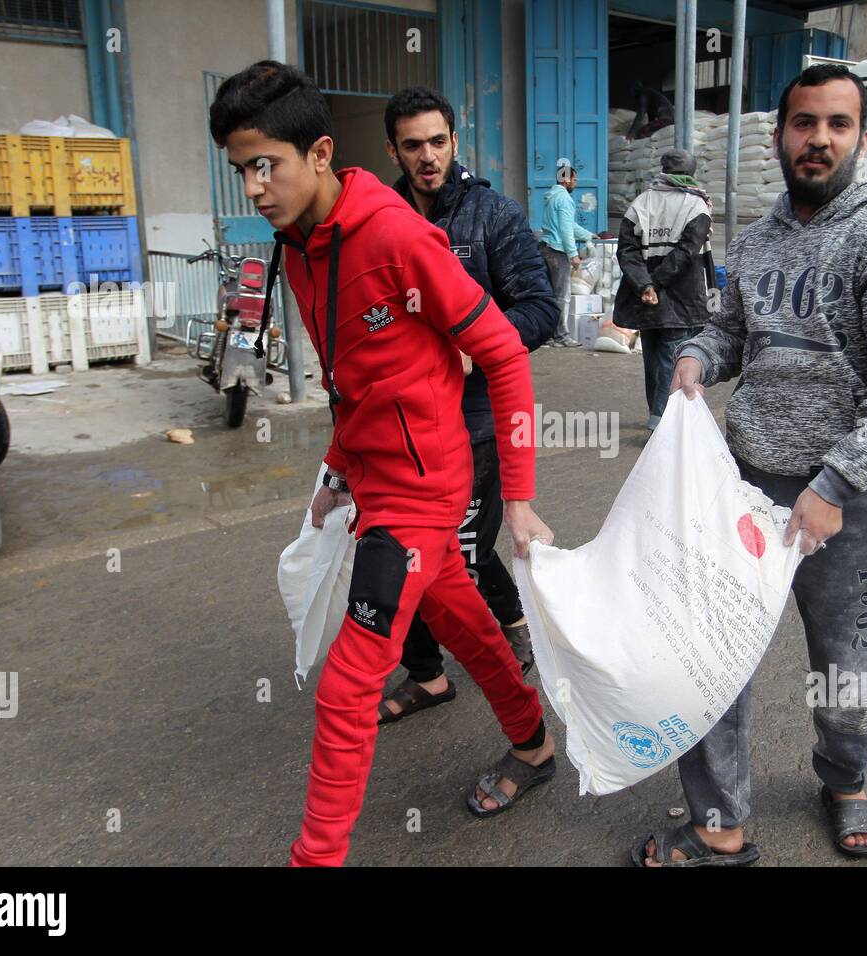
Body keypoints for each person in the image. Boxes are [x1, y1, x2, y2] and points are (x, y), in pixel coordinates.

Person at [210, 61, 558, 866]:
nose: (255, 187)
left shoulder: (399, 236)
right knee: (467, 626)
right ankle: (535, 746)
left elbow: (504, 353)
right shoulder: (297, 249)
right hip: (373, 481)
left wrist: (522, 498)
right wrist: (337, 470)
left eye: (267, 164)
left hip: (424, 492)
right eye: (241, 170)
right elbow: (355, 378)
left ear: (321, 152)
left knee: (347, 686)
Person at [634, 63, 867, 866]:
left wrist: (834, 484)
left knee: (850, 670)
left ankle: (845, 780)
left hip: (843, 506)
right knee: (709, 656)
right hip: (743, 487)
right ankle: (719, 823)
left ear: (863, 138)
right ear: (780, 134)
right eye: (803, 123)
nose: (818, 139)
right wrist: (699, 359)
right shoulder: (753, 241)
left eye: (838, 124)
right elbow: (732, 331)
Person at [376, 85, 556, 720]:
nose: (427, 156)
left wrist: (469, 349)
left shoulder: (493, 217)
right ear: (393, 151)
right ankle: (426, 675)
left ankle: (510, 622)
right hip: (401, 423)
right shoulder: (382, 219)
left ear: (455, 141)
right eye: (412, 145)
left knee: (460, 552)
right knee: (398, 552)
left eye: (437, 141)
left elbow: (540, 311)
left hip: (475, 422)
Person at [614, 148, 713, 431]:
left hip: (646, 299)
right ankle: (661, 422)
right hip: (680, 299)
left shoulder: (641, 203)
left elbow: (627, 250)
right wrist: (655, 282)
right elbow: (686, 252)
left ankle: (657, 415)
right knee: (672, 362)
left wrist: (645, 285)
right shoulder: (696, 206)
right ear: (691, 173)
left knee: (654, 362)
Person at [539, 157, 596, 348]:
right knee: (561, 296)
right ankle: (560, 336)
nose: (575, 183)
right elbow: (565, 229)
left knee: (549, 294)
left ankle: (547, 336)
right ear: (565, 180)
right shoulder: (564, 198)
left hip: (545, 248)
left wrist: (588, 234)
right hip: (557, 251)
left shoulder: (552, 196)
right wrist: (573, 255)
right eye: (574, 180)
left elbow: (569, 225)